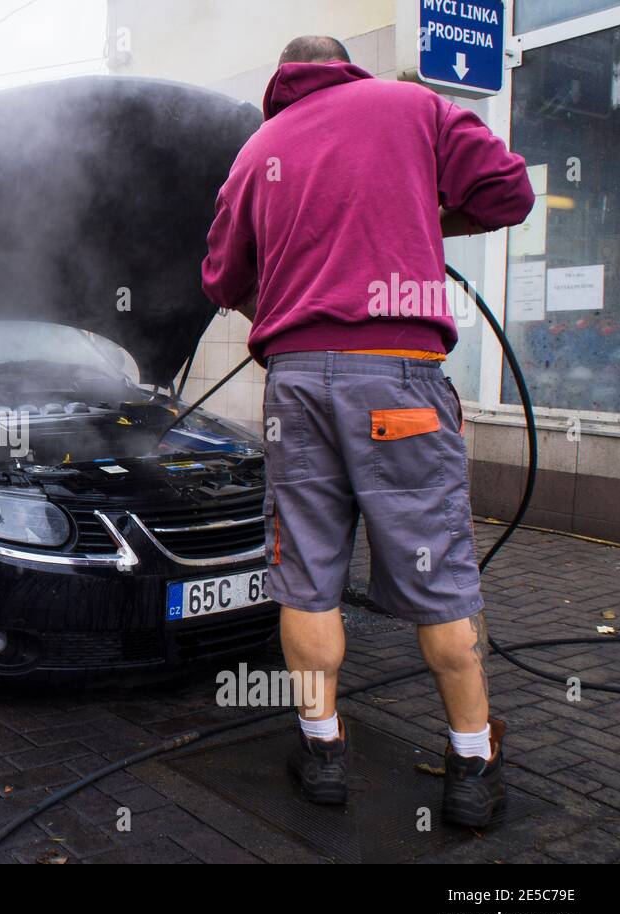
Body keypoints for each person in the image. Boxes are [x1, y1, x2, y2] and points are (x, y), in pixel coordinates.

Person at [201, 35, 535, 827]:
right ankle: (470, 763)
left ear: (280, 84)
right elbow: (510, 194)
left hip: (297, 389)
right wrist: (427, 218)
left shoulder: (258, 151)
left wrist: (282, 320)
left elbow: (219, 277)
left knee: (308, 575)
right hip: (399, 378)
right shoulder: (412, 106)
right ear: (347, 64)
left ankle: (322, 751)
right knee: (440, 577)